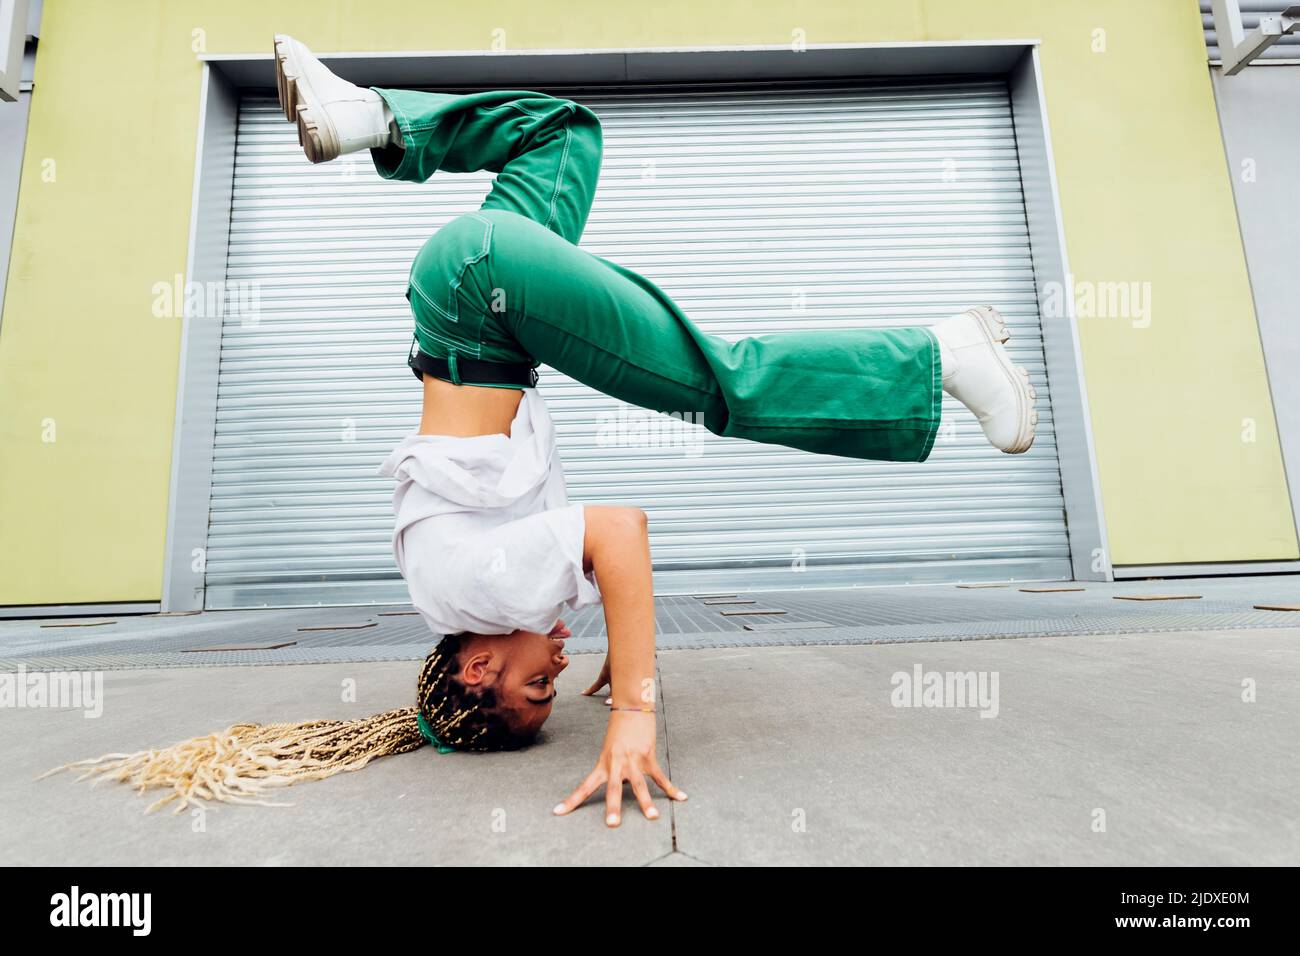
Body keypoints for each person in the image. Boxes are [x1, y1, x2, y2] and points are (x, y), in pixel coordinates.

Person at [44, 35, 1037, 827]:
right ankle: (379, 121)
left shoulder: (482, 591)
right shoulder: (466, 586)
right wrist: (612, 649)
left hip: (486, 306)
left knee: (721, 383)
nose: (552, 672)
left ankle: (940, 352)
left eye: (532, 688)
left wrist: (638, 708)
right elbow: (574, 559)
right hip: (462, 293)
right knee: (564, 133)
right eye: (556, 689)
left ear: (477, 667)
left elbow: (621, 534)